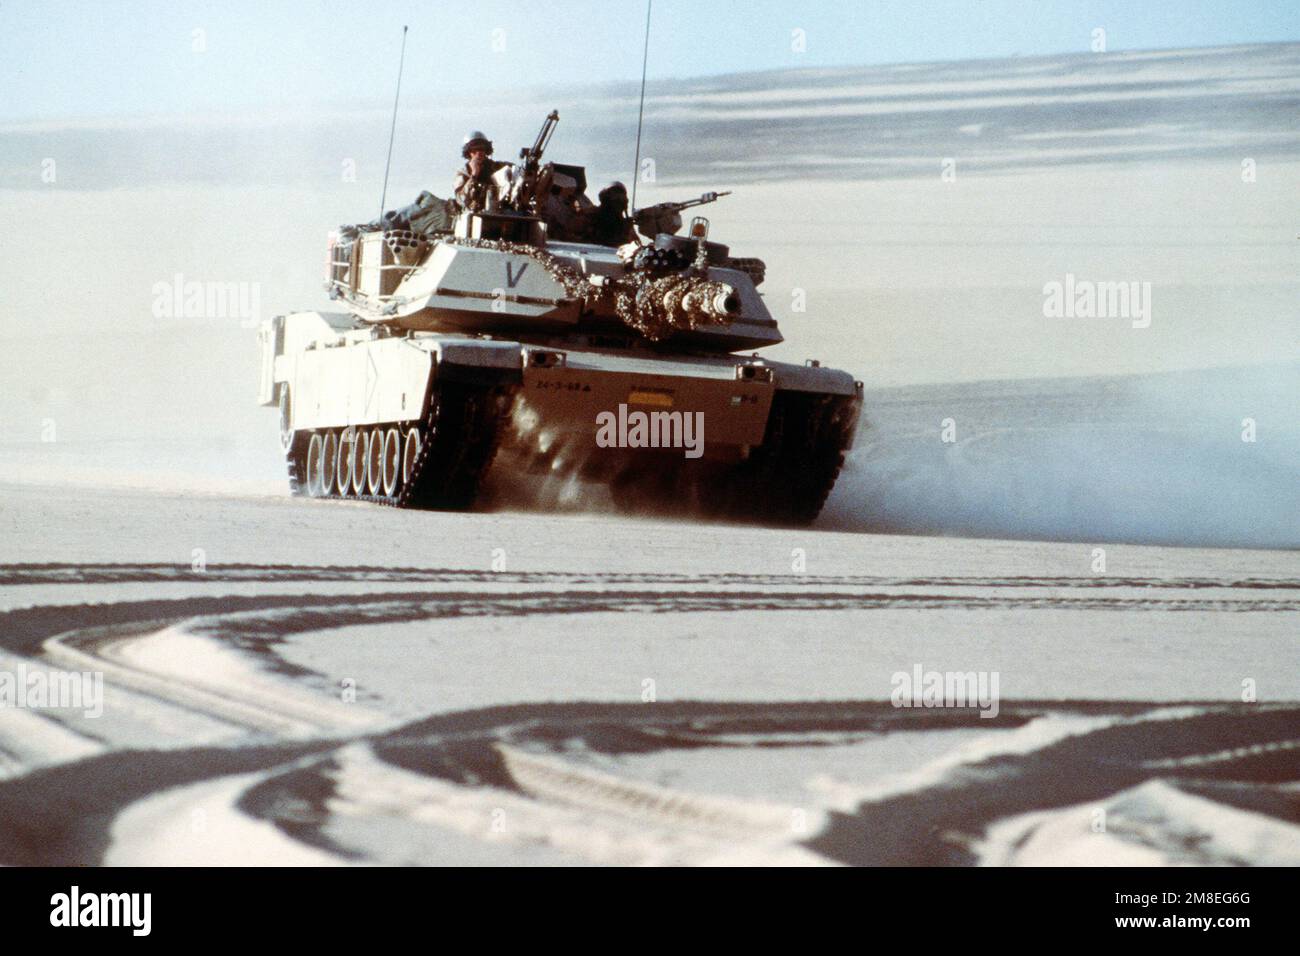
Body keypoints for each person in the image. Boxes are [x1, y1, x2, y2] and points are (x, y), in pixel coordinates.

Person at [452, 131, 508, 212]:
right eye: (475, 150)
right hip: (474, 214)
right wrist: (474, 175)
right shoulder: (463, 172)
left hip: (499, 212)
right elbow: (461, 200)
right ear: (468, 152)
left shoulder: (497, 167)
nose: (479, 153)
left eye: (482, 149)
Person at [581, 181, 637, 246]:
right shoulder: (590, 215)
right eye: (614, 195)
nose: (617, 199)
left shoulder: (625, 224)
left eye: (620, 197)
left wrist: (626, 230)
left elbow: (633, 246)